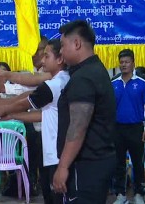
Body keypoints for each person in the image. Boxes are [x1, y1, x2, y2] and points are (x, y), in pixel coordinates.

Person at [0, 39, 69, 204]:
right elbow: (41, 113)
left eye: (45, 55)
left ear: (60, 59)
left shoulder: (57, 82)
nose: (41, 59)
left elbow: (27, 99)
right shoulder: (54, 81)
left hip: (58, 152)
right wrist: (11, 115)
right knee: (48, 193)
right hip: (50, 149)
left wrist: (3, 107)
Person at [51, 20, 116, 203]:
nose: (61, 52)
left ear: (77, 44)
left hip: (87, 165)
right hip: (96, 162)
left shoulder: (84, 77)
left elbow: (78, 127)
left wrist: (63, 167)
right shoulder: (94, 70)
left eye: (63, 46)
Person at [110, 49, 145, 204]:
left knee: (137, 163)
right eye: (121, 62)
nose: (124, 65)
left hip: (136, 128)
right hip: (117, 129)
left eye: (127, 62)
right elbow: (109, 107)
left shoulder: (142, 84)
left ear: (133, 63)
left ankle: (139, 194)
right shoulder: (113, 84)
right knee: (119, 164)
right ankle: (120, 195)